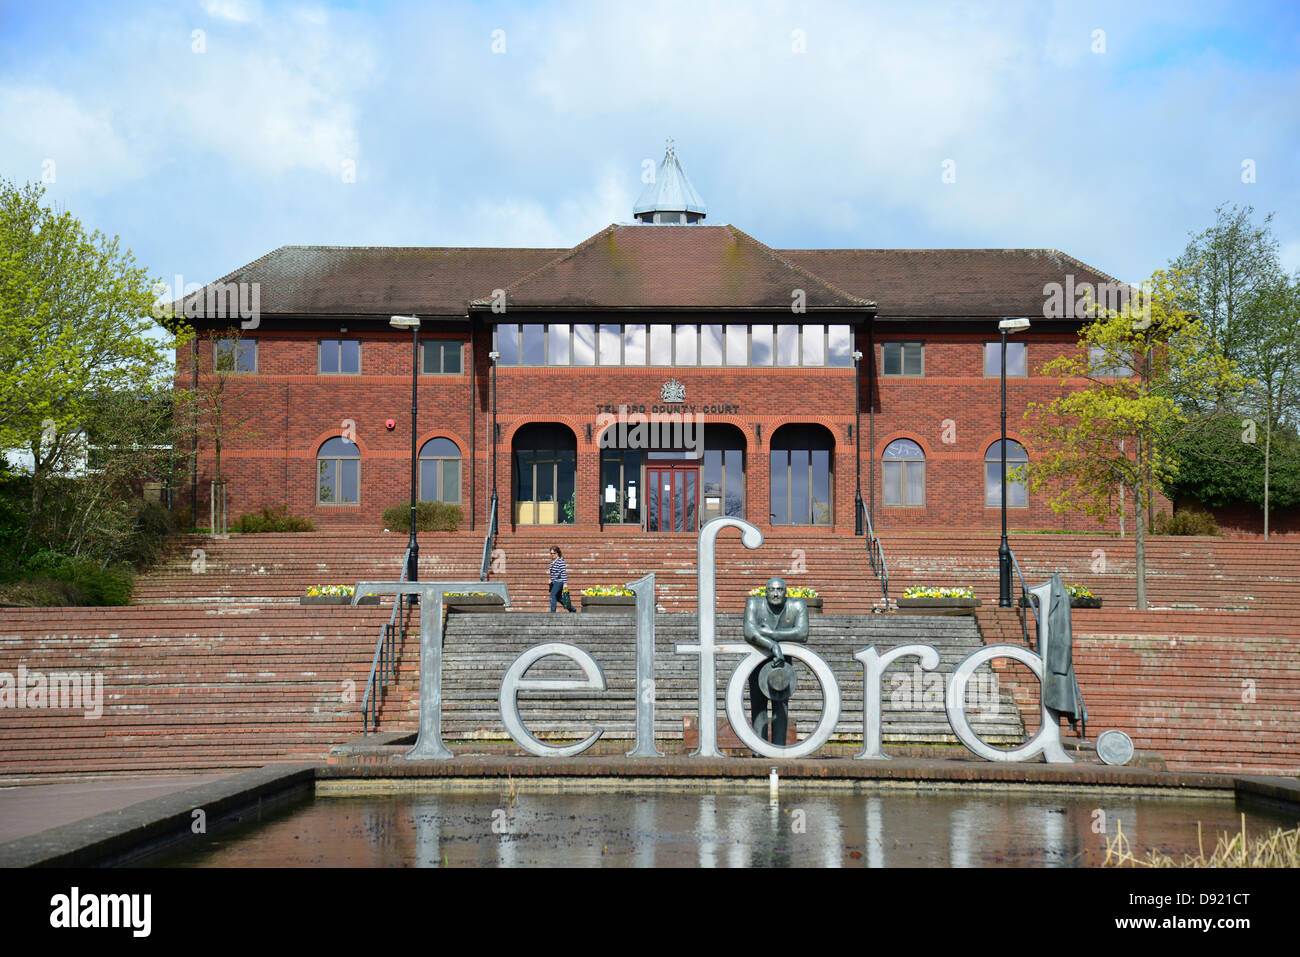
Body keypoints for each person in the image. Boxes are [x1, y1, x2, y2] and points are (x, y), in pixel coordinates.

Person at [742, 577, 808, 745]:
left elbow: (802, 633)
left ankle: (779, 748)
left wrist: (769, 634)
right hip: (757, 662)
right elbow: (749, 632)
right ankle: (759, 748)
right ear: (766, 592)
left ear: (786, 593)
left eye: (780, 590)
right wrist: (773, 646)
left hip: (782, 664)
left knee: (781, 707)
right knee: (758, 706)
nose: (776, 594)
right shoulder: (754, 603)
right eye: (772, 590)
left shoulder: (797, 605)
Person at [548, 546, 576, 613]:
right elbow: (553, 573)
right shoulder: (553, 561)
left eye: (554, 553)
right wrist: (551, 580)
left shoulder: (561, 561)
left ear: (557, 553)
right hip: (554, 582)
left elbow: (563, 573)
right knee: (559, 598)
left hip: (559, 582)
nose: (552, 555)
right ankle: (572, 609)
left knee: (552, 595)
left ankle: (553, 612)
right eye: (551, 553)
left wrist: (565, 584)